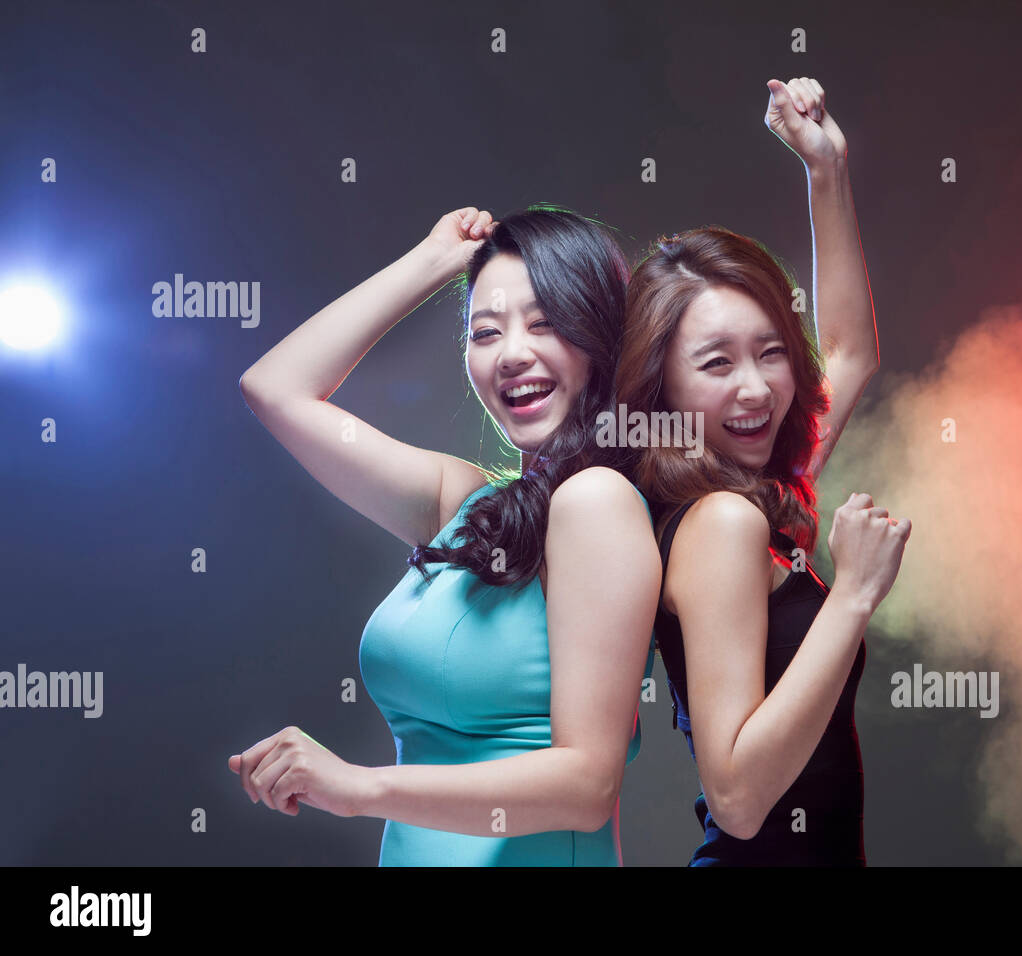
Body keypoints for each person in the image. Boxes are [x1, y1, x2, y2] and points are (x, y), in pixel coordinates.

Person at [227, 204, 661, 865]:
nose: (512, 354)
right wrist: (433, 262)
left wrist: (359, 787)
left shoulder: (599, 503)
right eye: (485, 333)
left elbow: (588, 786)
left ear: (602, 339)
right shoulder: (466, 504)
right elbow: (275, 389)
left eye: (545, 324)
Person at [614, 78, 910, 865]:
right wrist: (852, 594)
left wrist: (825, 168)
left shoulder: (761, 487)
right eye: (716, 362)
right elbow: (741, 802)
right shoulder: (722, 522)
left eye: (771, 350)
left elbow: (850, 351)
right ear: (662, 385)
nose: (756, 387)